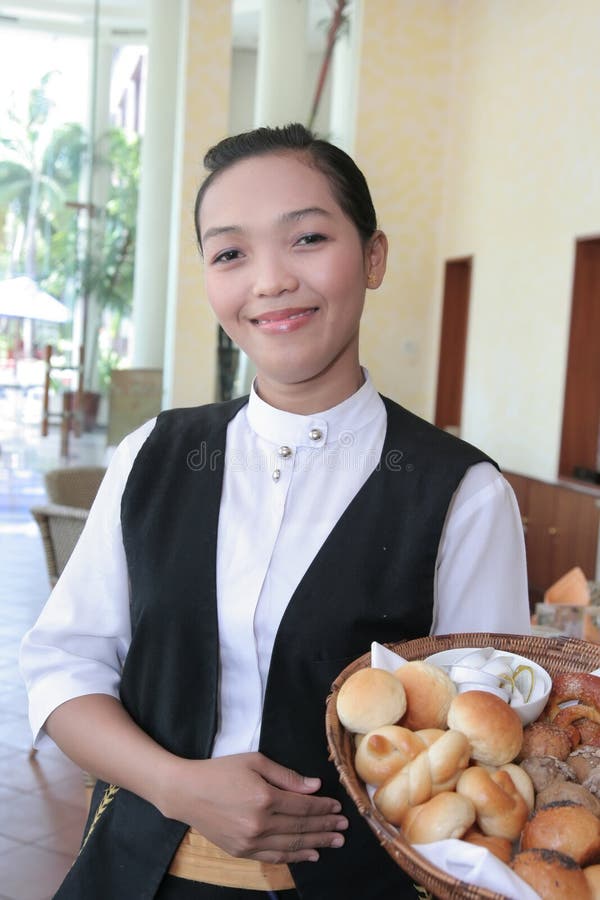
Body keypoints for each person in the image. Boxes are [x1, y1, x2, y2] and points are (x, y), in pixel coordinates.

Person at [20, 123, 530, 900]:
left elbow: (490, 743)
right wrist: (174, 784)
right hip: (134, 874)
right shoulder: (154, 454)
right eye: (230, 253)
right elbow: (65, 665)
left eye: (307, 239)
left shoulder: (461, 492)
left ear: (373, 256)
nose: (269, 280)